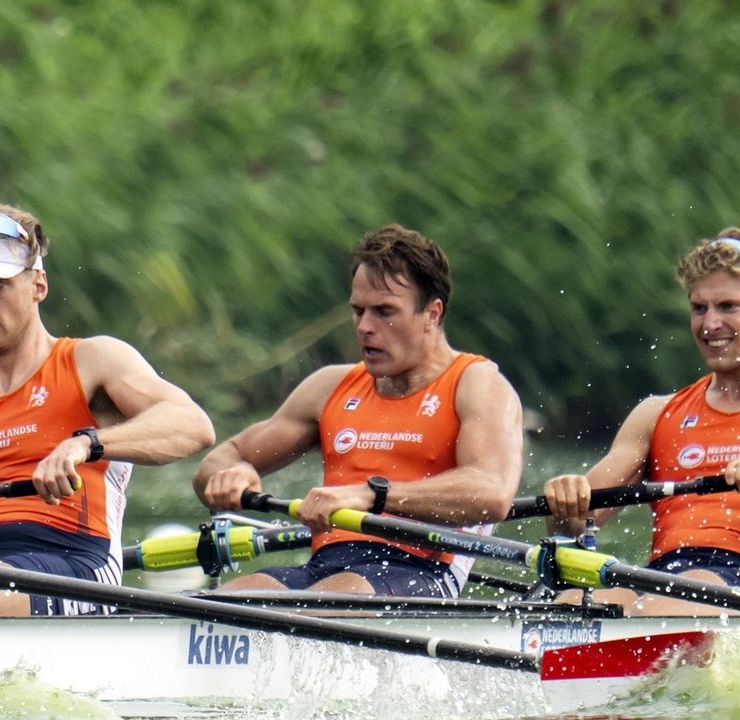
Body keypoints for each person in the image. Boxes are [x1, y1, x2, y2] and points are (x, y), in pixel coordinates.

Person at [193, 223, 524, 598]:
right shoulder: (330, 386)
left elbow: (492, 493)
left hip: (423, 571)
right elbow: (218, 461)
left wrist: (371, 497)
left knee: (330, 597)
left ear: (432, 314)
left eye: (385, 312)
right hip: (326, 566)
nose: (365, 327)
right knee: (231, 598)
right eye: (358, 311)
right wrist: (232, 473)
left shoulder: (476, 384)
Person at [543, 227, 740, 615]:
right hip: (664, 581)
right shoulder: (657, 414)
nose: (710, 325)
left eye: (728, 306)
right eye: (699, 308)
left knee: (690, 592)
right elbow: (574, 527)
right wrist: (565, 504)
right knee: (572, 605)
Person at [0, 204, 215, 616]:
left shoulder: (92, 361)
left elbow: (192, 426)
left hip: (78, 563)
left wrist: (85, 444)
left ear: (37, 284)